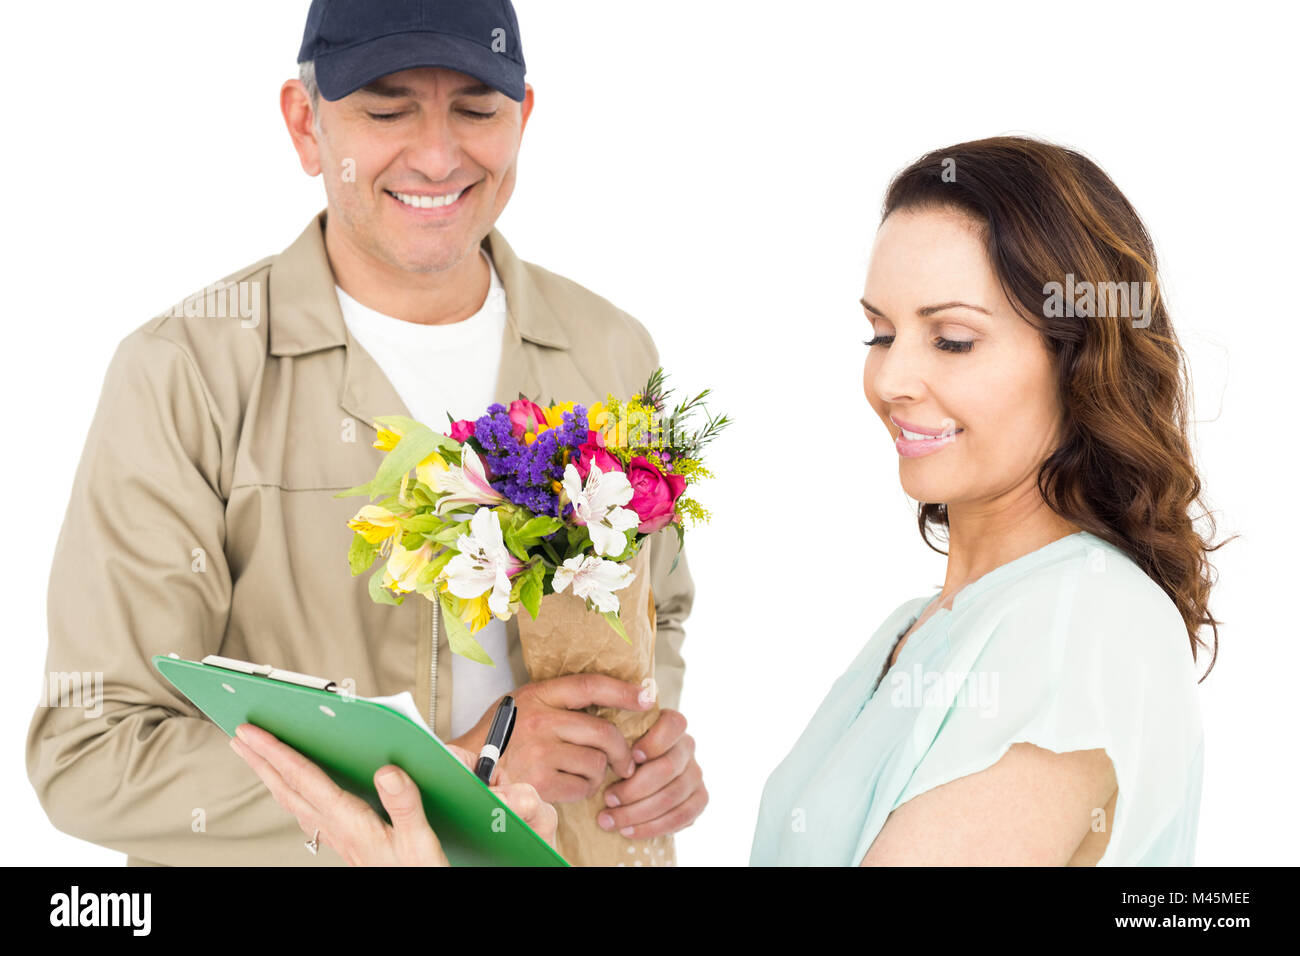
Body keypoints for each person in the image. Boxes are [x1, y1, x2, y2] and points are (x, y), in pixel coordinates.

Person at [26, 0, 705, 866]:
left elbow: (663, 611)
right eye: (387, 110)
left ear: (523, 117)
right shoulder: (186, 373)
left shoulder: (610, 349)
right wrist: (451, 775)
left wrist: (644, 751)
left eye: (476, 108)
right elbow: (92, 752)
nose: (436, 153)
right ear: (306, 125)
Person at [750, 136, 1222, 865]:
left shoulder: (1084, 625)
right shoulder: (915, 627)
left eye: (954, 339)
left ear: (1077, 356)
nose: (890, 380)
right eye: (880, 333)